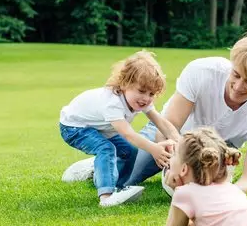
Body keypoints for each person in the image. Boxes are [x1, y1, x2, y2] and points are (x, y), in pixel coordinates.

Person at [132, 32, 247, 194]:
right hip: (173, 134)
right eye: (236, 75)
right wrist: (174, 163)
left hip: (217, 151)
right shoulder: (202, 71)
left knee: (192, 189)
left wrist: (220, 194)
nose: (238, 86)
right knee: (125, 173)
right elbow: (167, 128)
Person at [59, 51, 179, 207]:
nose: (146, 98)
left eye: (151, 94)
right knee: (106, 149)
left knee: (129, 151)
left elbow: (160, 122)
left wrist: (179, 142)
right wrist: (154, 149)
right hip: (74, 127)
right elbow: (127, 134)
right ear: (124, 84)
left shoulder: (142, 100)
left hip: (98, 128)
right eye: (141, 91)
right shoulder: (112, 103)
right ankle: (106, 197)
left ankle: (118, 187)